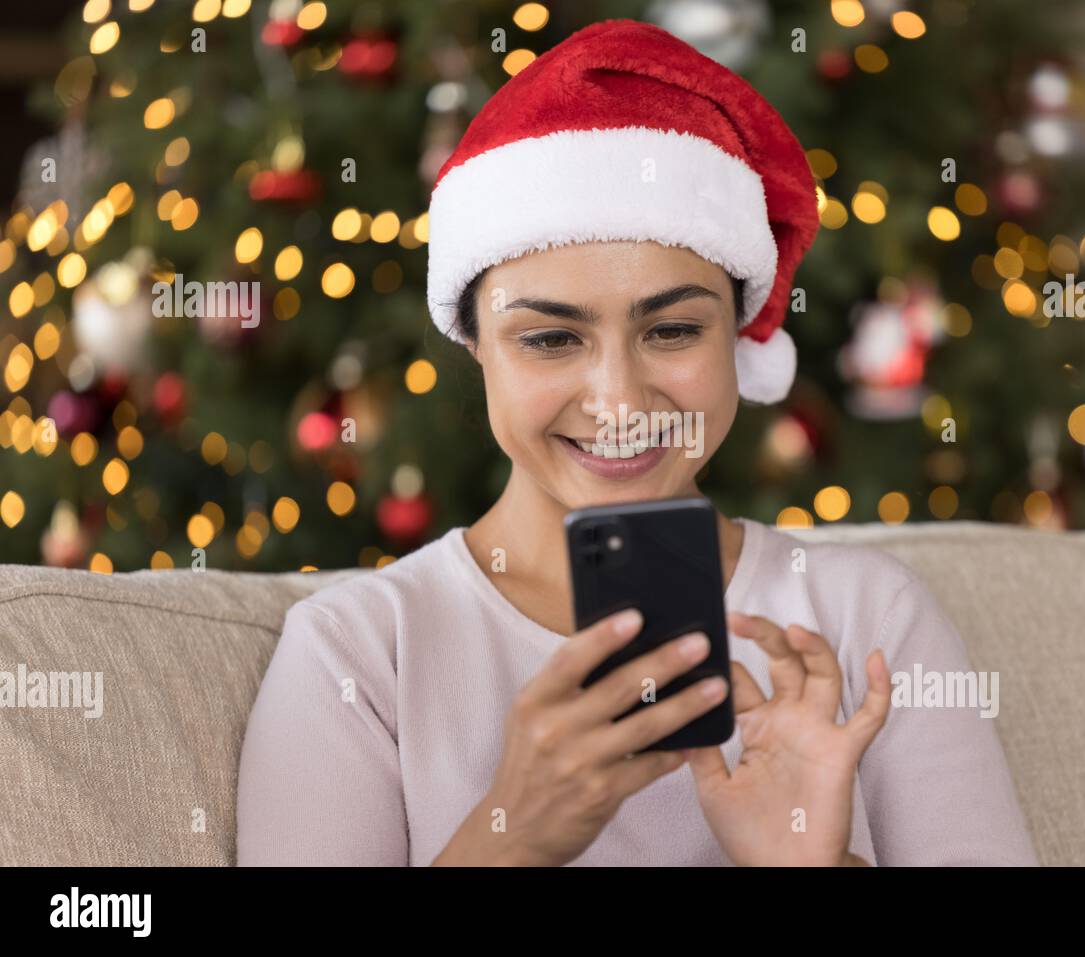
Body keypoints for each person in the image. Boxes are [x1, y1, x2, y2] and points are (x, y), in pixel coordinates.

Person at [236, 19, 1038, 867]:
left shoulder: (869, 618)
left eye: (673, 330)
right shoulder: (358, 654)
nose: (618, 400)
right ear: (474, 344)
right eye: (550, 339)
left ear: (741, 336)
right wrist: (512, 829)